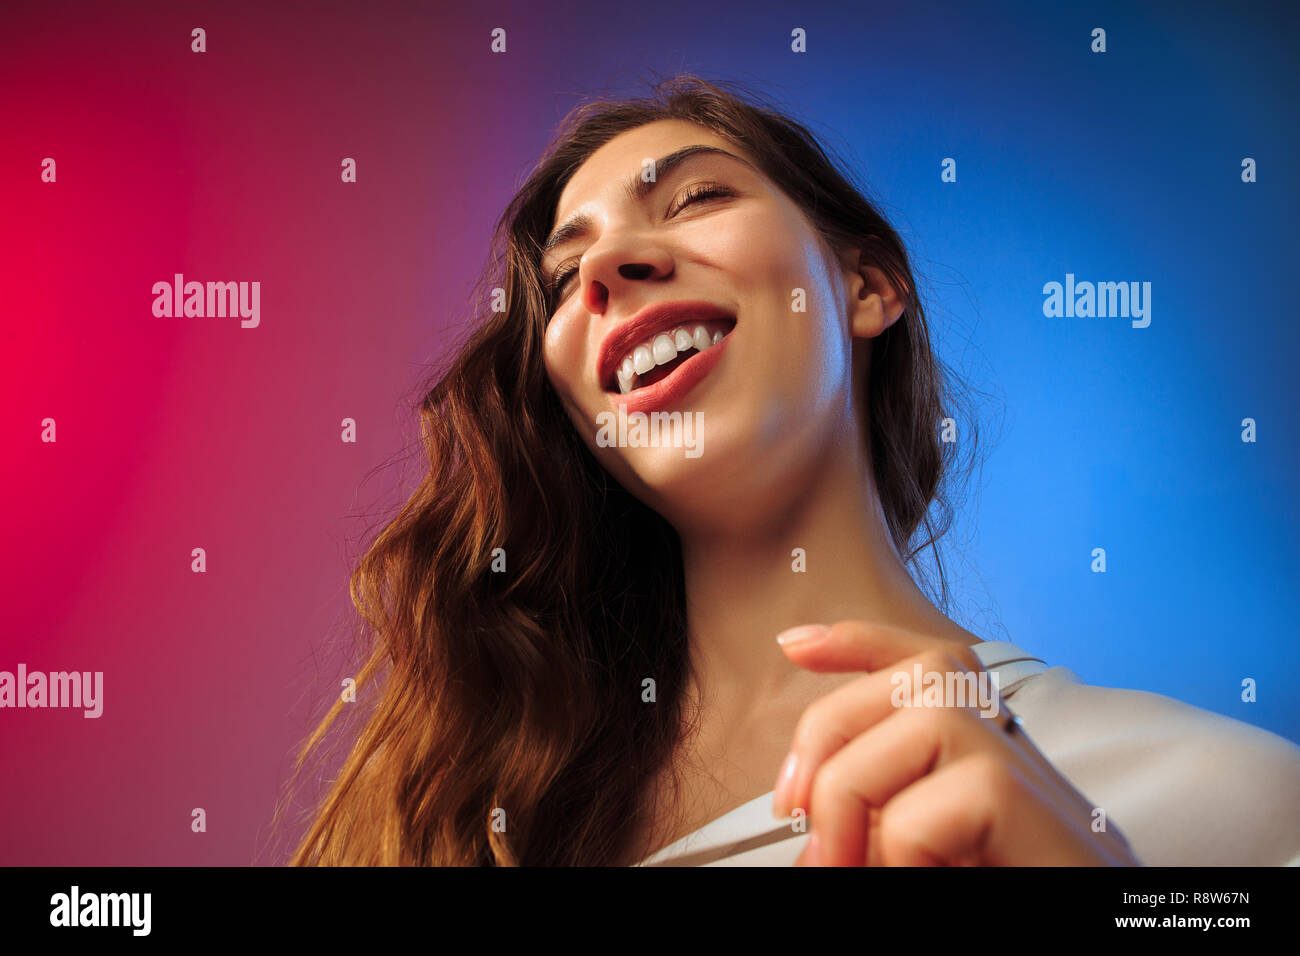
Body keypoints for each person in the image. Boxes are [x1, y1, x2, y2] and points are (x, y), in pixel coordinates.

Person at [286, 73, 1300, 867]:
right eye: (562, 274)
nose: (602, 269)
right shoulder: (470, 814)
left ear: (865, 286)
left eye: (692, 198)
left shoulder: (1235, 801)